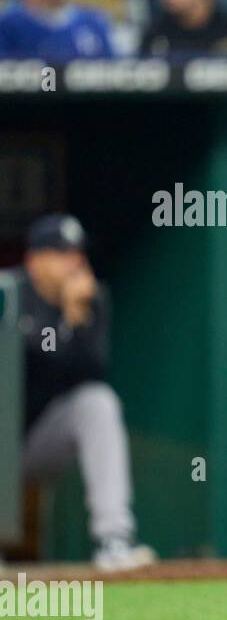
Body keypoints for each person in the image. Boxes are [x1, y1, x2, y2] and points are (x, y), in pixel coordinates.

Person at [16, 215, 155, 571]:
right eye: (62, 252)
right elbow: (34, 358)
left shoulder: (90, 301)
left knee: (98, 402)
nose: (74, 261)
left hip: (38, 440)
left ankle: (113, 540)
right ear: (35, 261)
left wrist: (74, 318)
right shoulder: (10, 294)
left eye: (77, 252)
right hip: (5, 434)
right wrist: (64, 326)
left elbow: (91, 370)